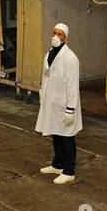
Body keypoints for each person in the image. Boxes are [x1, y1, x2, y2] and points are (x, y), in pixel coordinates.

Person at [35, 23, 82, 185]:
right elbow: (45, 77)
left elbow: (73, 85)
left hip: (64, 105)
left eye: (60, 34)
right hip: (51, 103)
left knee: (67, 138)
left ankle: (69, 171)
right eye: (54, 33)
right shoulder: (49, 54)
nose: (55, 36)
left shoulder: (70, 58)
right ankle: (58, 165)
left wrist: (70, 109)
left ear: (66, 38)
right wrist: (43, 97)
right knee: (56, 134)